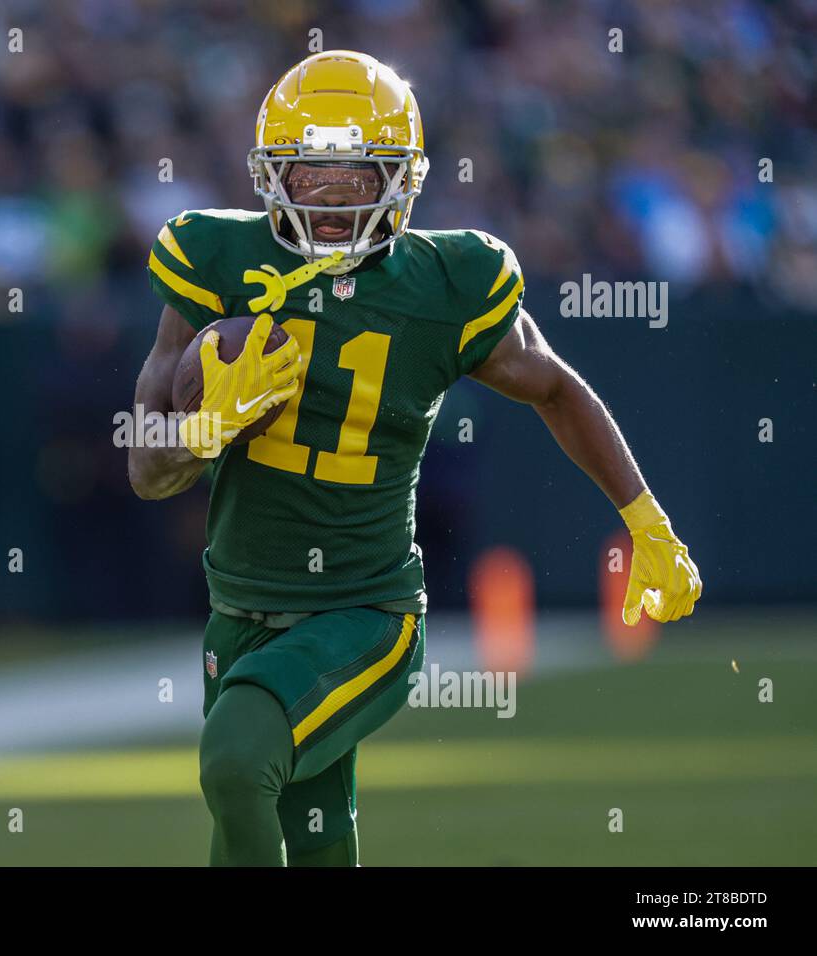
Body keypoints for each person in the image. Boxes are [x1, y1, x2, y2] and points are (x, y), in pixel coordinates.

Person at [127, 50, 702, 866]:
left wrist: (645, 521)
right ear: (268, 173)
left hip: (364, 614)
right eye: (308, 171)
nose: (329, 197)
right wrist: (199, 433)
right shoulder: (214, 260)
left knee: (234, 759)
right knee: (303, 833)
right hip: (240, 611)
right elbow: (145, 471)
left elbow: (557, 389)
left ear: (400, 179)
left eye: (356, 173)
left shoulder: (445, 282)